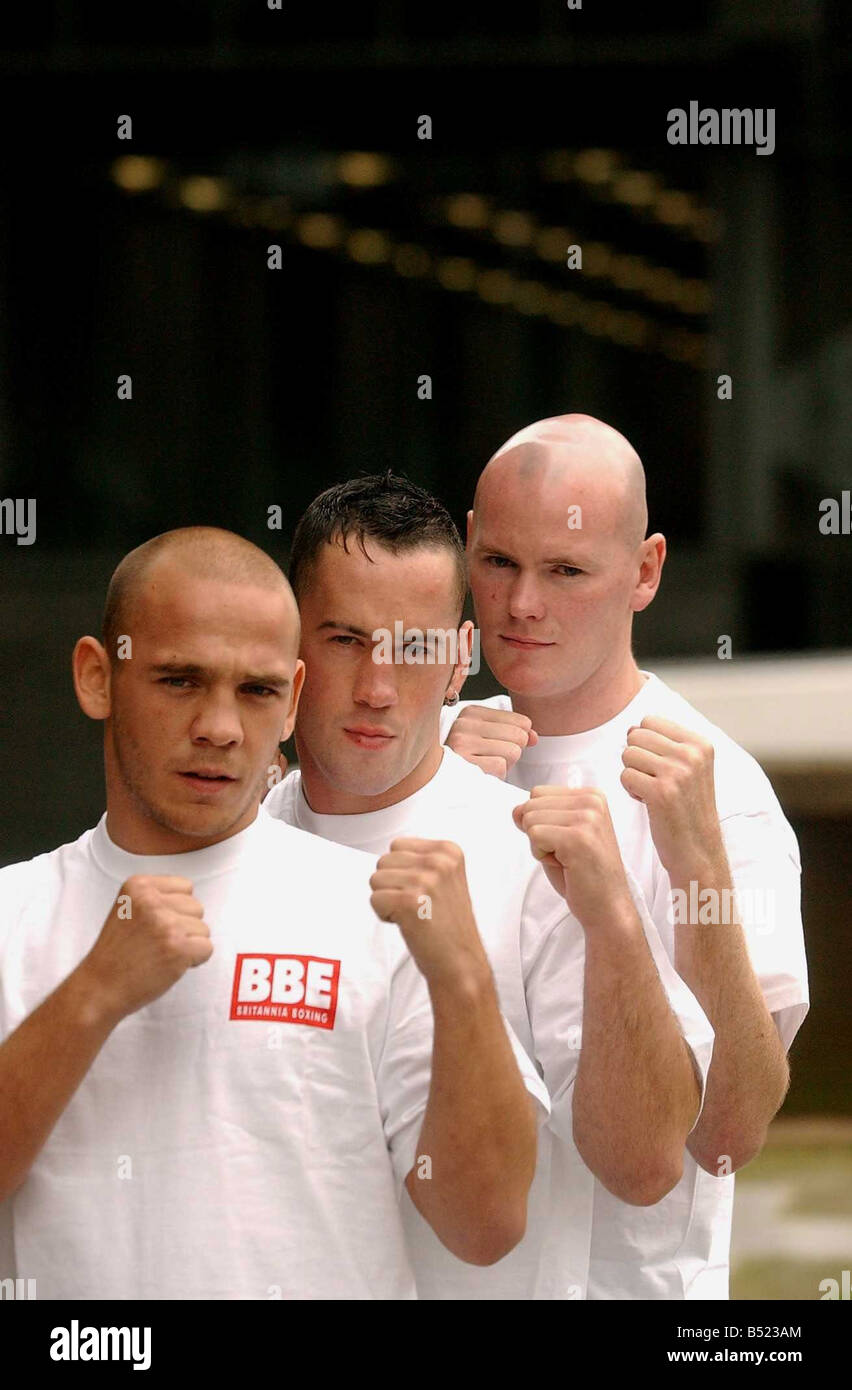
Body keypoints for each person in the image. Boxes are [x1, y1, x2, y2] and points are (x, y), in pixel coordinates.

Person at [0, 526, 547, 1301]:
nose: (220, 727)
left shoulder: (371, 916)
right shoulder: (11, 918)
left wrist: (463, 981)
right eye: (180, 680)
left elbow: (485, 1226)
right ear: (97, 677)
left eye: (255, 690)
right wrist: (91, 997)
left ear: (292, 700)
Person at [263, 473, 715, 1300]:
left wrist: (614, 919)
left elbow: (648, 1166)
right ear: (289, 645)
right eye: (343, 639)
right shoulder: (240, 842)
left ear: (459, 660)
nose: (376, 685)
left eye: (414, 647)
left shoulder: (536, 862)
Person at [443, 413, 810, 1299]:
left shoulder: (719, 790)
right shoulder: (425, 754)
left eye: (567, 570)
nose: (523, 604)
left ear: (645, 571)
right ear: (466, 547)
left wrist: (701, 872)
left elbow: (731, 1136)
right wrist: (433, 802)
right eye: (498, 563)